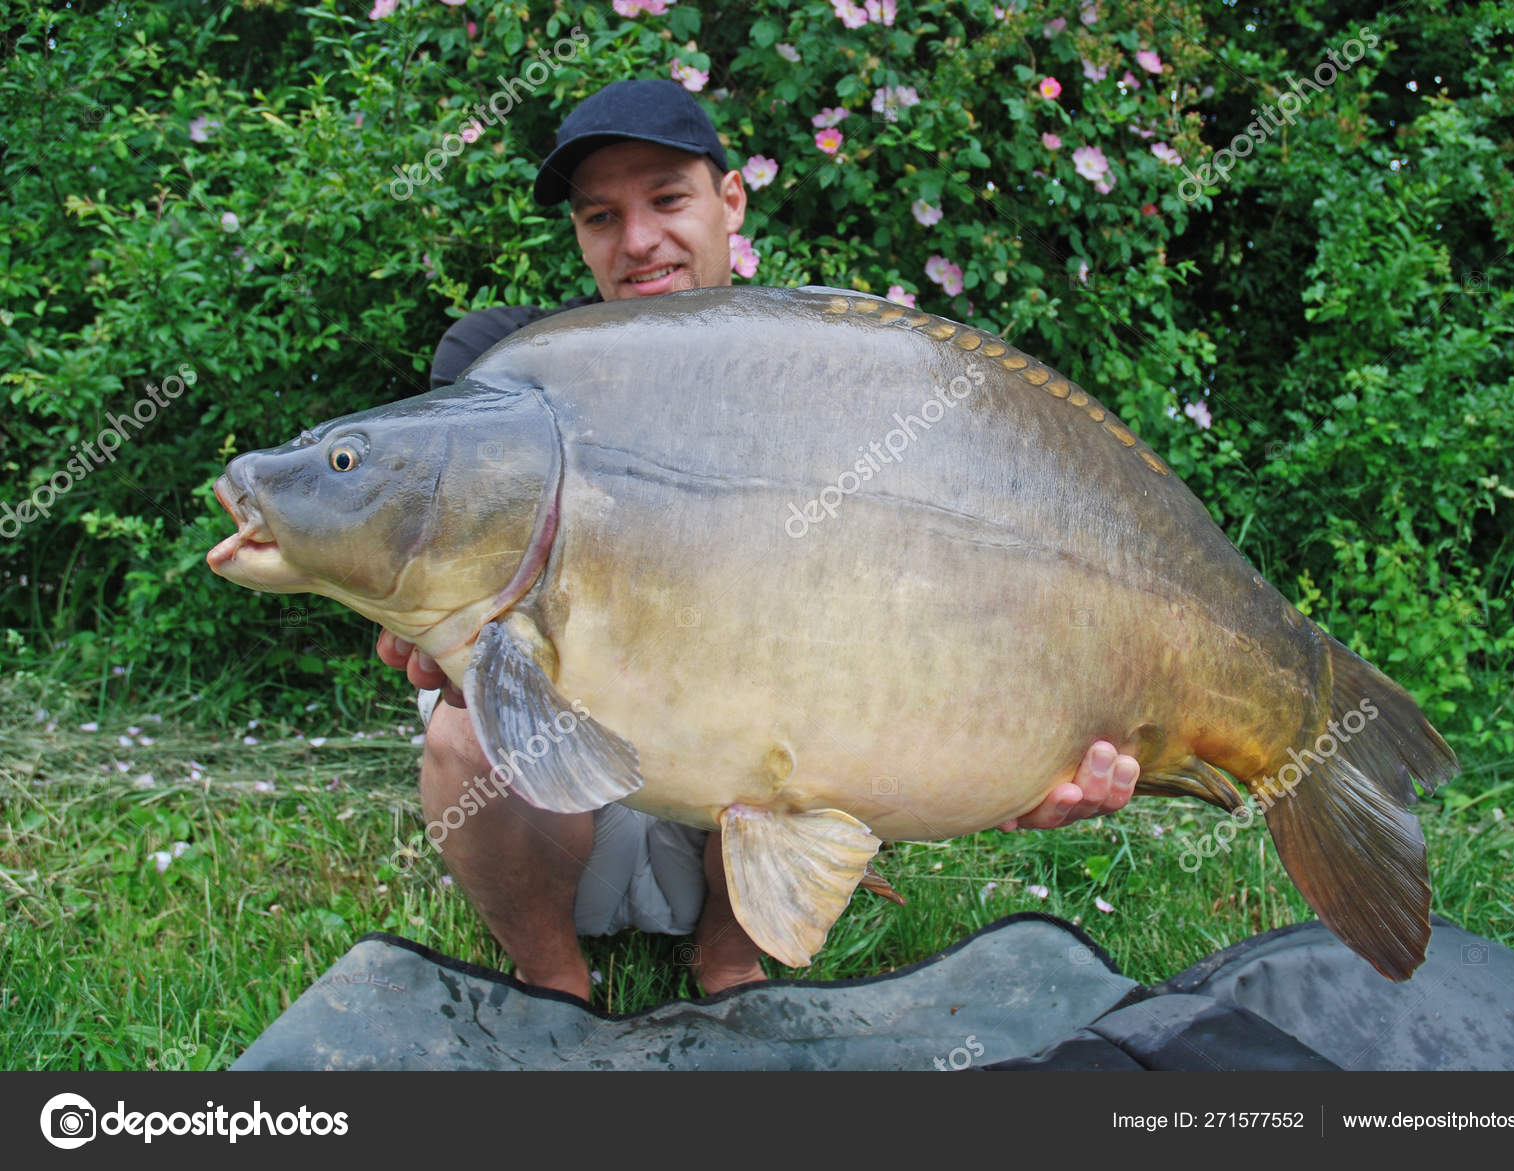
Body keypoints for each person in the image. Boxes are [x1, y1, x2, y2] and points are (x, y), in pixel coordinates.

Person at [377, 80, 1142, 1000]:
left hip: (746, 750)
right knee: (470, 727)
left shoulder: (820, 369)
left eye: (667, 199)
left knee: (835, 678)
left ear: (730, 199)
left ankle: (731, 958)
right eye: (601, 216)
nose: (639, 241)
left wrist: (1015, 752)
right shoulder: (503, 365)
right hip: (572, 766)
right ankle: (552, 978)